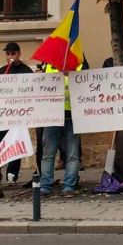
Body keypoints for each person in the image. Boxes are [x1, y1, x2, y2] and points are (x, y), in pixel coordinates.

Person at [38, 58, 87, 198]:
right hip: (52, 116)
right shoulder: (49, 67)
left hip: (72, 115)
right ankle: (45, 186)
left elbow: (84, 86)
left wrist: (69, 75)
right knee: (48, 154)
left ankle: (69, 186)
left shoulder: (78, 67)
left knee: (72, 154)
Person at [0, 42, 33, 183]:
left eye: (13, 53)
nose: (10, 56)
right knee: (0, 142)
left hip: (19, 112)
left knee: (16, 140)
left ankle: (12, 172)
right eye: (8, 54)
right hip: (4, 112)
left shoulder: (26, 71)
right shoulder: (1, 71)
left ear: (19, 54)